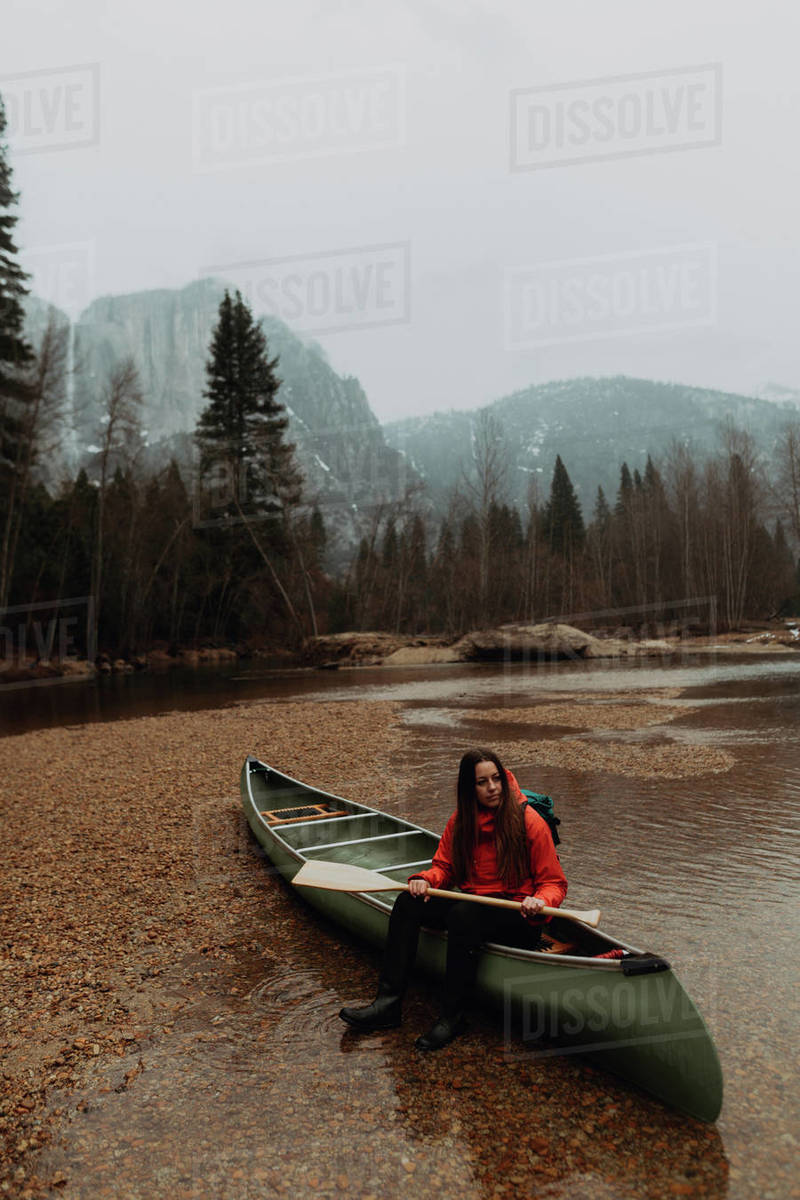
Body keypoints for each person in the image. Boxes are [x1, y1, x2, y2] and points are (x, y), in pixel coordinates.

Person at [339, 748, 568, 1051]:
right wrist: (425, 880)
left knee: (463, 915)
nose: (492, 787)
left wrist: (539, 900)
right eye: (482, 782)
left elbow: (554, 883)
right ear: (468, 788)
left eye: (497, 779)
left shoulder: (529, 822)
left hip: (519, 915)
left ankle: (453, 1016)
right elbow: (444, 867)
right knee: (408, 903)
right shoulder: (461, 821)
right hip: (475, 906)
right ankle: (388, 1005)